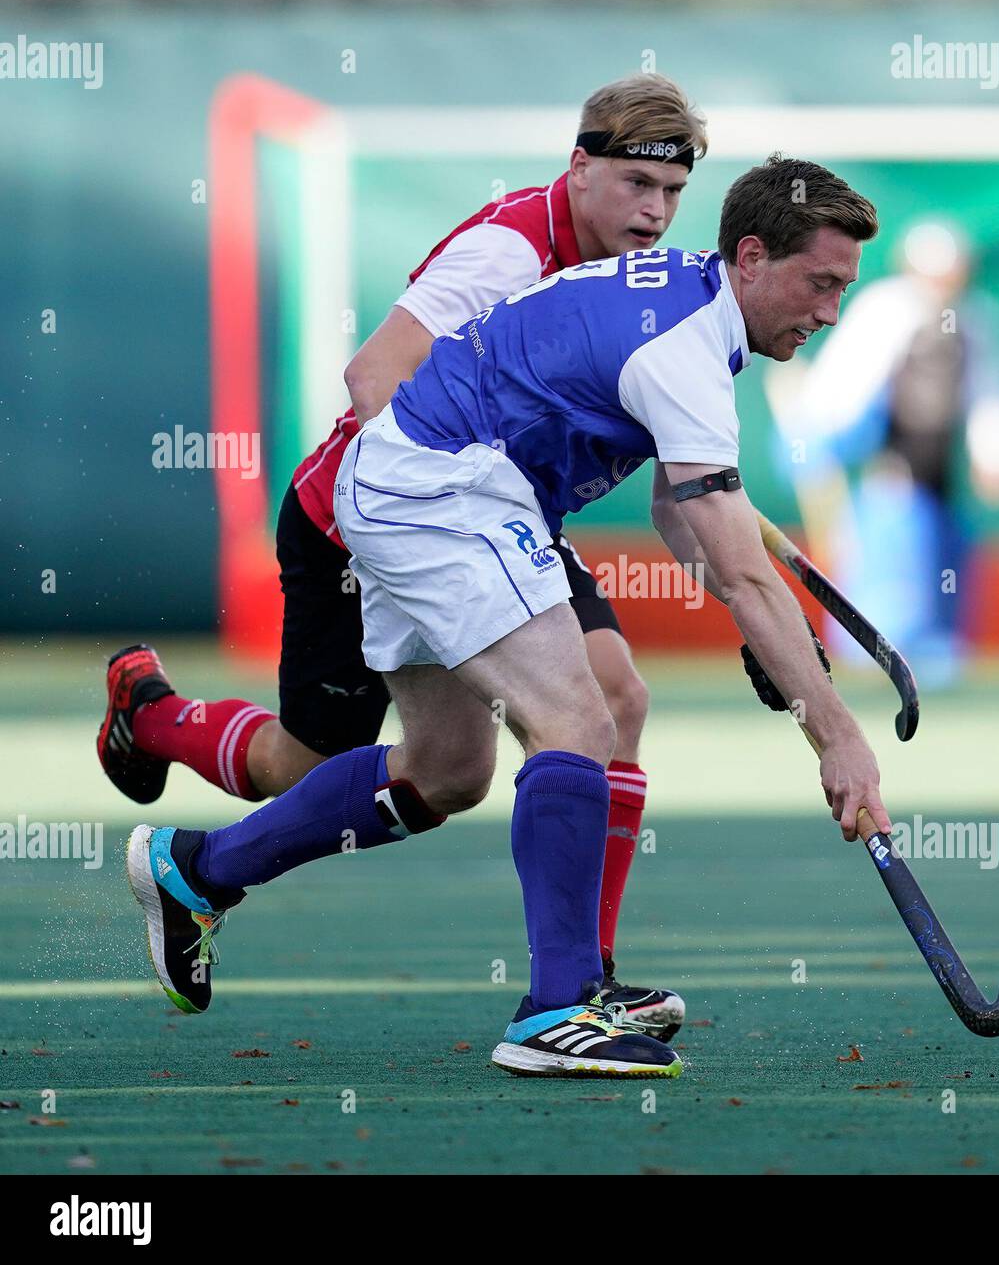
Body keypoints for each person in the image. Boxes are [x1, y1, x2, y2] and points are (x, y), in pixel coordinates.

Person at [125, 154, 891, 1080]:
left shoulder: (693, 308)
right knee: (579, 718)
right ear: (753, 256)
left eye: (844, 291)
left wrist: (763, 626)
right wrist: (837, 734)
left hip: (419, 487)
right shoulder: (682, 343)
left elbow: (678, 516)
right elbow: (740, 566)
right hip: (444, 490)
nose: (828, 312)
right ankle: (558, 1006)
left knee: (448, 771)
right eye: (819, 284)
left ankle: (198, 870)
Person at [99, 74, 708, 1037]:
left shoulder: (635, 279)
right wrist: (445, 517)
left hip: (494, 518)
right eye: (636, 183)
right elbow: (373, 373)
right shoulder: (509, 249)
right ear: (579, 167)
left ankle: (583, 981)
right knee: (307, 763)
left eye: (672, 194)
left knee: (520, 740)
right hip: (362, 520)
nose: (655, 212)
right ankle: (158, 727)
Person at [765, 218, 999, 685]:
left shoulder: (976, 320)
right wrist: (811, 441)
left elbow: (991, 396)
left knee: (943, 602)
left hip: (945, 484)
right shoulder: (887, 312)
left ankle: (937, 674)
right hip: (891, 484)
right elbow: (843, 389)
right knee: (892, 595)